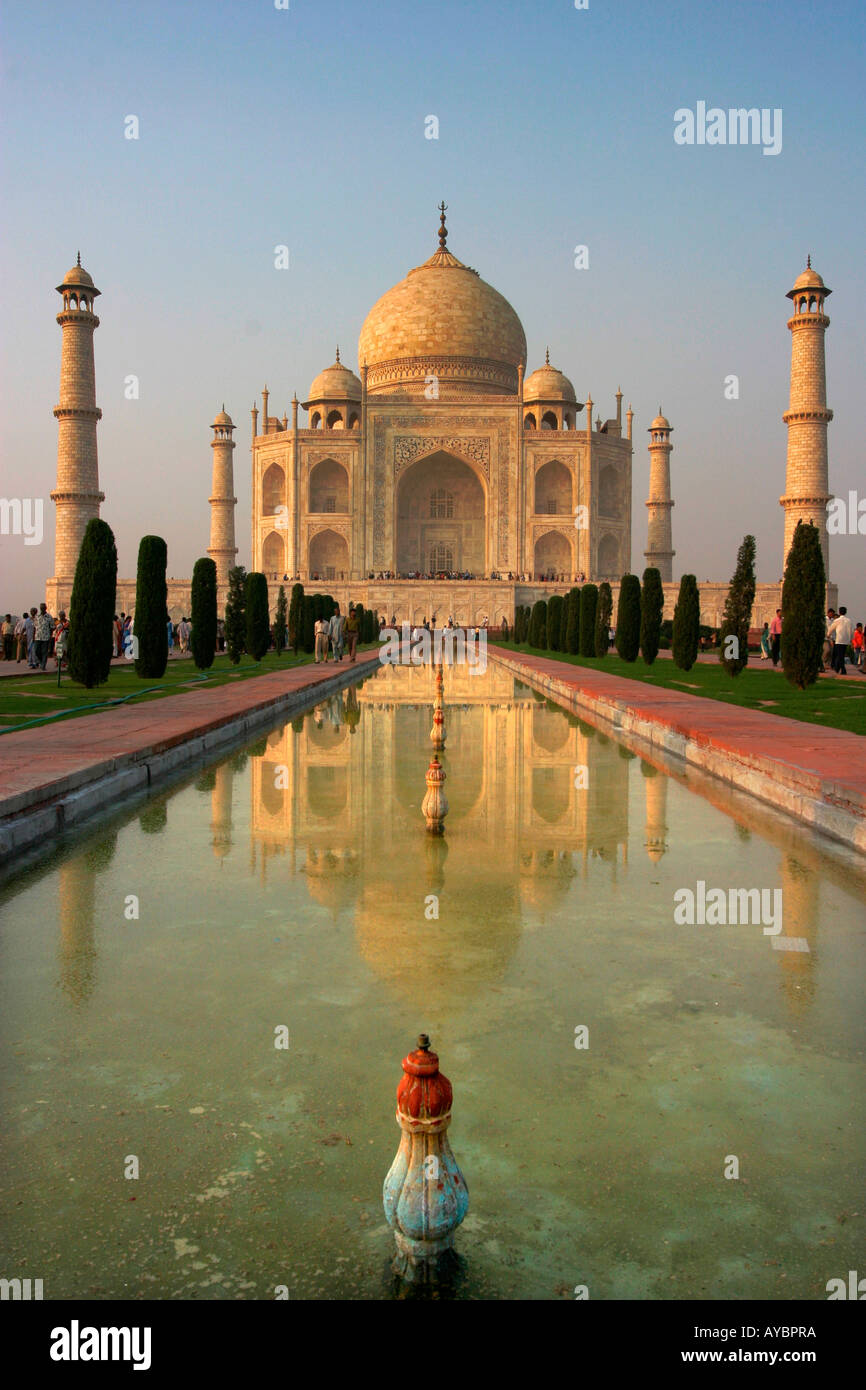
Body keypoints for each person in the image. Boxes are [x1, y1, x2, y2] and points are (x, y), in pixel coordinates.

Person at [827, 606, 852, 675]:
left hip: (839, 640)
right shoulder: (849, 621)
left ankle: (843, 670)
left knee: (839, 655)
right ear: (845, 612)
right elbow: (850, 631)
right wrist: (850, 640)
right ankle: (837, 668)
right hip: (846, 640)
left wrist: (828, 634)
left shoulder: (837, 620)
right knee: (841, 655)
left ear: (839, 612)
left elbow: (831, 628)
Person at [33, 602, 53, 670]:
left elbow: (52, 627)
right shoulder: (37, 616)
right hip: (38, 637)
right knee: (36, 651)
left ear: (46, 608)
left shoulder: (49, 617)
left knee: (44, 652)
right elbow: (34, 627)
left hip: (46, 637)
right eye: (41, 608)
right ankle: (41, 661)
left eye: (43, 608)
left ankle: (43, 665)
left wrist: (50, 636)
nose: (42, 609)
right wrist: (33, 636)